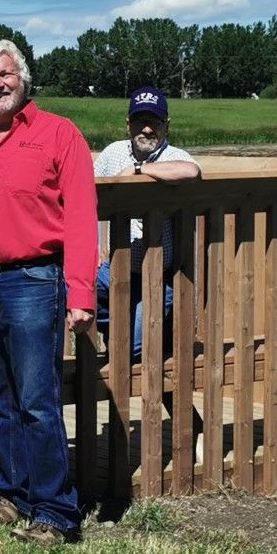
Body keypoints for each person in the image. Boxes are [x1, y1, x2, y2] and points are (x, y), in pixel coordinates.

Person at [0, 40, 97, 546]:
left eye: (5, 74)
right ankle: (13, 495)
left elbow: (79, 217)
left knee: (37, 400)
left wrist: (80, 294)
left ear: (23, 79)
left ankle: (55, 511)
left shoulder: (58, 134)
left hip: (34, 280)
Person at [92, 85, 201, 359]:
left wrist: (139, 171)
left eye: (154, 121)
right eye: (141, 121)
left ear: (166, 125)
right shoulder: (111, 153)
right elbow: (89, 193)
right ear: (128, 124)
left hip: (157, 276)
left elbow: (192, 171)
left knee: (133, 351)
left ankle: (125, 364)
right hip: (111, 271)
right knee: (72, 297)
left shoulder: (174, 156)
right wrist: (92, 251)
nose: (148, 129)